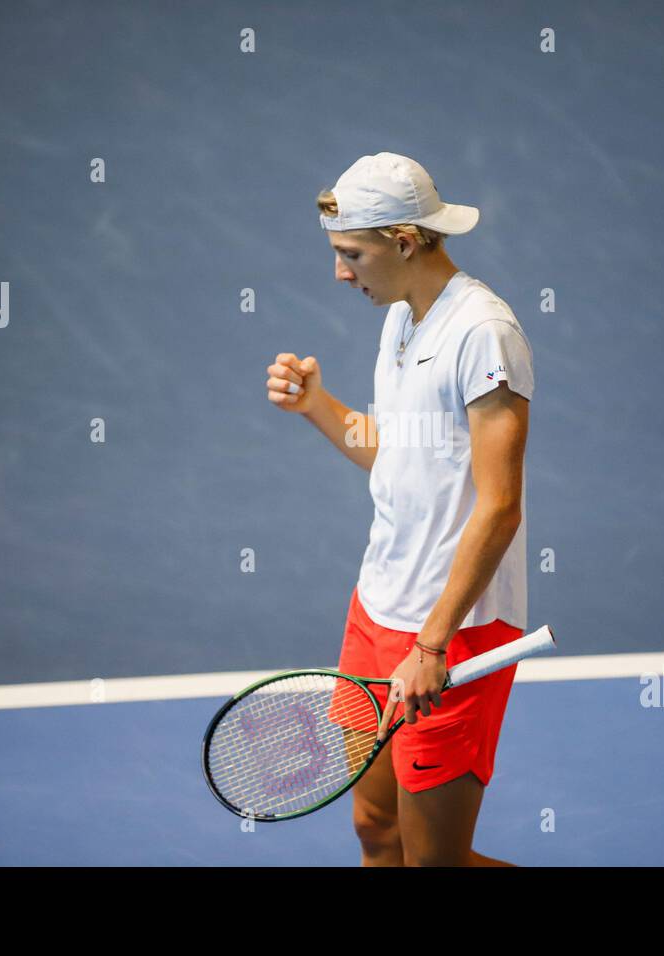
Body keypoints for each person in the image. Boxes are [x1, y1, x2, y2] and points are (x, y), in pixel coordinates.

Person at [265, 152, 534, 866]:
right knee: (375, 828)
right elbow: (400, 451)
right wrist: (318, 407)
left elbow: (500, 505)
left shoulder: (483, 333)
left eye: (351, 254)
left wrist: (431, 644)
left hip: (454, 630)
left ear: (405, 242)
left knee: (433, 863)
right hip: (378, 609)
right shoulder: (404, 317)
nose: (340, 273)